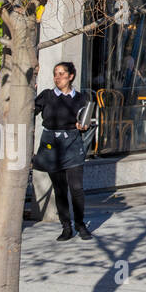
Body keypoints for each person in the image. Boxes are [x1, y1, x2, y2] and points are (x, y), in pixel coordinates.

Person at [33, 62, 92, 241]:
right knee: (59, 189)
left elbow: (86, 122)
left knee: (76, 188)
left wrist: (84, 126)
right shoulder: (47, 96)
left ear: (71, 76)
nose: (57, 78)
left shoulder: (82, 99)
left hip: (72, 142)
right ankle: (66, 226)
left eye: (61, 74)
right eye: (55, 74)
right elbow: (29, 111)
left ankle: (80, 224)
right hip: (51, 144)